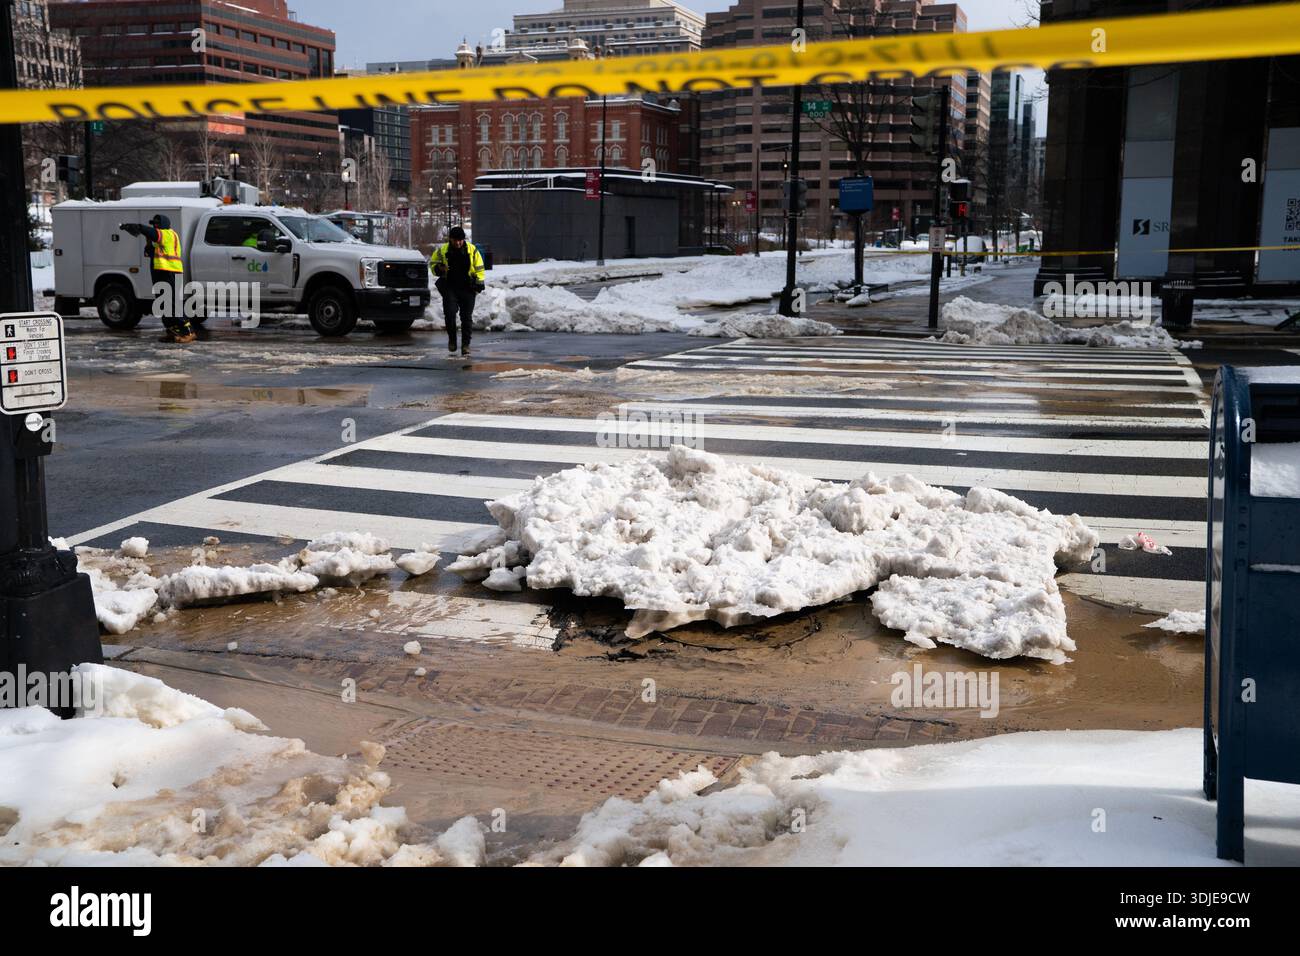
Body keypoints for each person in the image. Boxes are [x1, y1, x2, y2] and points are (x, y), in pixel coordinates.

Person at [120, 214, 196, 343]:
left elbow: (153, 233)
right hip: (162, 273)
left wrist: (139, 227)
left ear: (163, 225)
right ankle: (172, 331)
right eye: (154, 224)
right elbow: (150, 252)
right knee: (164, 304)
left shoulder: (168, 234)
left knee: (172, 304)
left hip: (170, 272)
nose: (155, 226)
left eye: (157, 224)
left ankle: (188, 332)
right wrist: (148, 240)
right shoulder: (159, 240)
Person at [429, 225, 485, 357]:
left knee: (466, 318)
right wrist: (438, 268)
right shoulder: (442, 250)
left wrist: (479, 282)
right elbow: (432, 265)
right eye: (455, 240)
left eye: (460, 240)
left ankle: (466, 345)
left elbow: (480, 269)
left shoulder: (472, 250)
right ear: (450, 239)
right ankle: (452, 340)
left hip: (468, 288)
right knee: (450, 313)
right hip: (450, 288)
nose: (458, 243)